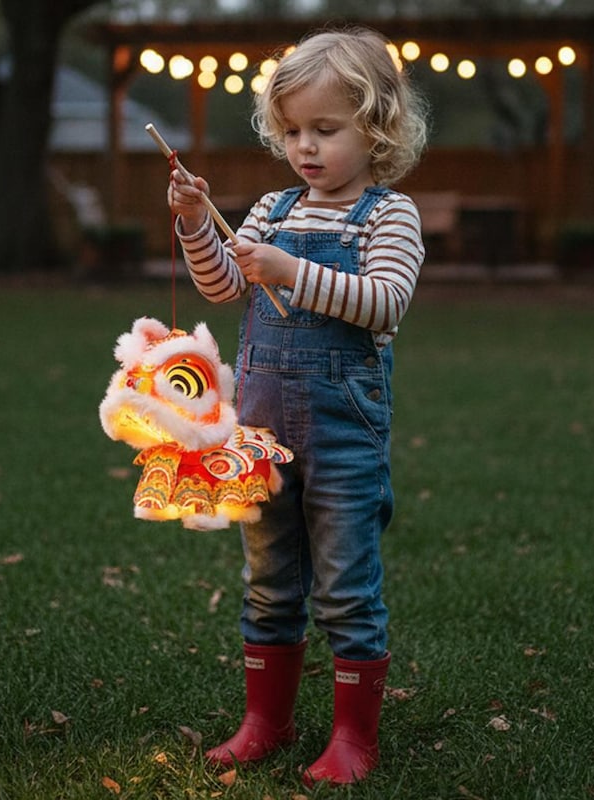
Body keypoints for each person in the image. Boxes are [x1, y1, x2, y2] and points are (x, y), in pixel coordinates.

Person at [167, 25, 429, 786]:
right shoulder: (273, 208)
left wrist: (291, 270)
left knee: (345, 583)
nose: (304, 147)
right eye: (290, 131)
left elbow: (383, 305)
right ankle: (266, 722)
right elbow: (222, 286)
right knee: (269, 579)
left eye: (325, 129)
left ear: (376, 128)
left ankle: (354, 739)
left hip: (344, 429)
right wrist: (193, 224)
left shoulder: (388, 216)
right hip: (262, 429)